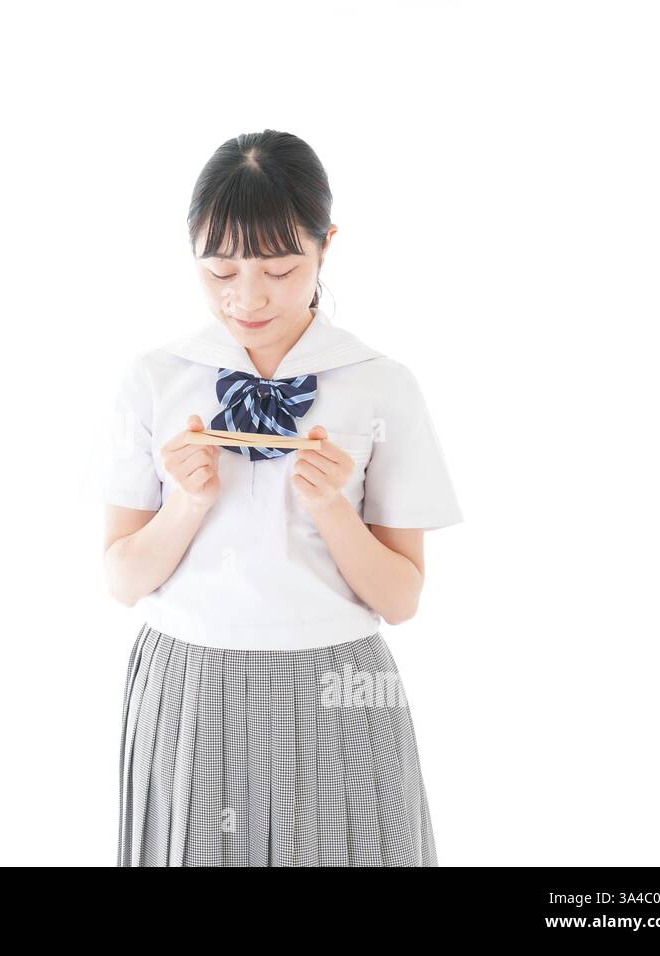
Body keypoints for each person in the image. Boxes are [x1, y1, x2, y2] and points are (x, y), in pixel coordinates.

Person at [103, 129, 463, 866]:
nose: (248, 296)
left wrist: (333, 507)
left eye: (279, 267)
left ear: (326, 246)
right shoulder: (155, 378)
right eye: (221, 270)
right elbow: (122, 579)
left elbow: (400, 599)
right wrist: (187, 505)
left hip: (340, 683)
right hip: (190, 684)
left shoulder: (379, 383)